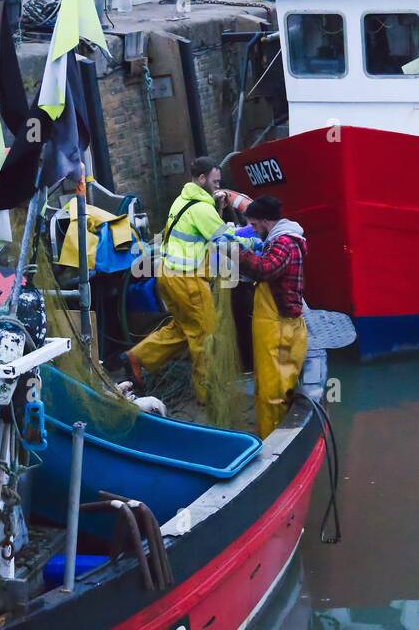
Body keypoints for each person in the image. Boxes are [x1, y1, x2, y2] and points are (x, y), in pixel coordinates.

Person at [121, 157, 228, 404]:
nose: (217, 186)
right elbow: (224, 238)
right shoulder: (202, 209)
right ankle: (209, 395)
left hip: (167, 276)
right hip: (187, 280)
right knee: (205, 335)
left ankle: (138, 356)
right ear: (202, 179)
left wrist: (217, 207)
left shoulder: (181, 201)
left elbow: (202, 231)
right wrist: (254, 242)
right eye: (215, 181)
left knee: (183, 327)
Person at [237, 195, 307, 437]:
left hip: (279, 327)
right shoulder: (281, 239)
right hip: (278, 325)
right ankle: (266, 431)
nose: (255, 232)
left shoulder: (283, 242)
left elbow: (265, 269)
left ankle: (272, 441)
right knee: (268, 383)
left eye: (255, 226)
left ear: (266, 221)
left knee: (272, 391)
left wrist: (237, 253)